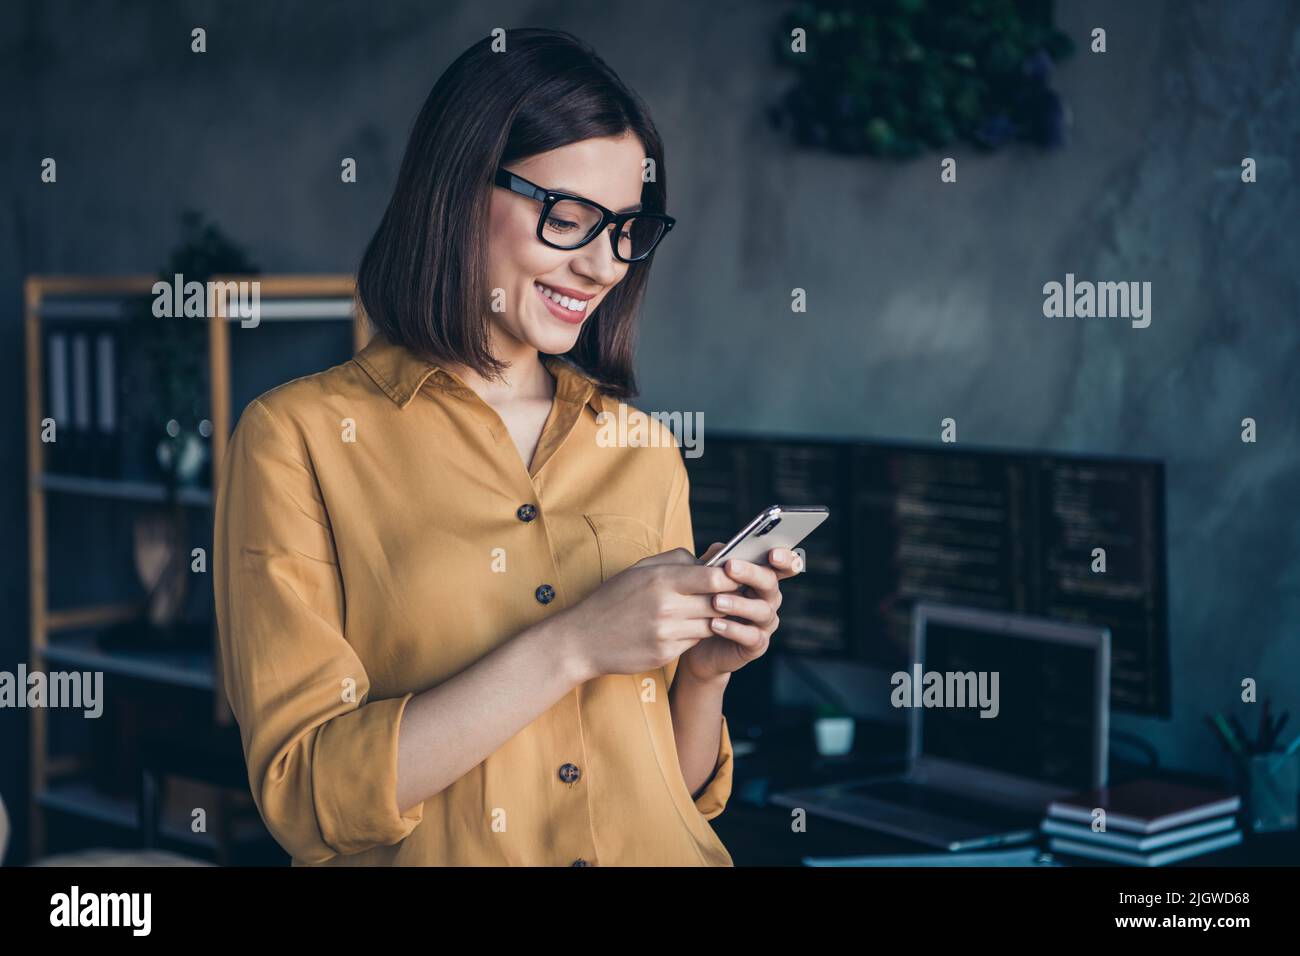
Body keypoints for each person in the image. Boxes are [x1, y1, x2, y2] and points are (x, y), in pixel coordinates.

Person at [213, 27, 800, 867]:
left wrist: (706, 673)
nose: (604, 267)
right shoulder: (296, 440)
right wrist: (572, 645)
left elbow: (669, 787)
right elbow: (308, 799)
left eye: (629, 231)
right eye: (568, 218)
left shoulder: (642, 449)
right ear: (456, 193)